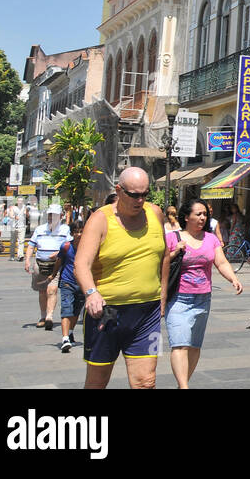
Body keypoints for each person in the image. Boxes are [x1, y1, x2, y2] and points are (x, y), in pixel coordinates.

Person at [74, 167, 170, 389]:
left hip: (147, 313)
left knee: (146, 382)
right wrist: (91, 292)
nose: (140, 200)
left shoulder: (155, 213)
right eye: (134, 195)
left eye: (145, 194)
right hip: (107, 312)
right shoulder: (100, 219)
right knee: (97, 382)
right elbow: (81, 263)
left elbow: (164, 255)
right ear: (119, 190)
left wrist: (162, 294)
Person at [165, 197, 243, 388]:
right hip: (178, 298)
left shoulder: (211, 239)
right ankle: (184, 386)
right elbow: (160, 263)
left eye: (204, 214)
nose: (202, 218)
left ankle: (182, 383)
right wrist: (175, 252)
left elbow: (221, 262)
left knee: (194, 346)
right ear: (186, 217)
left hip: (203, 298)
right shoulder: (172, 238)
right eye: (198, 214)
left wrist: (233, 278)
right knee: (179, 344)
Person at [26, 204, 71, 329]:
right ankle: (43, 315)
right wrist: (27, 260)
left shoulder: (65, 229)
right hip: (40, 263)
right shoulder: (40, 229)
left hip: (56, 264)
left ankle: (49, 317)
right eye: (50, 215)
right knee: (42, 291)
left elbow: (69, 245)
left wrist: (58, 253)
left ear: (60, 216)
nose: (52, 217)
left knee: (52, 290)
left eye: (55, 215)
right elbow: (31, 245)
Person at [56, 221, 84, 352]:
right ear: (72, 233)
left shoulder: (88, 247)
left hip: (82, 283)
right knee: (67, 309)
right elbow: (59, 262)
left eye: (81, 231)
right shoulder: (66, 246)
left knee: (76, 311)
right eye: (76, 231)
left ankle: (70, 331)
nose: (79, 234)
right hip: (67, 282)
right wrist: (52, 275)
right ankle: (65, 338)